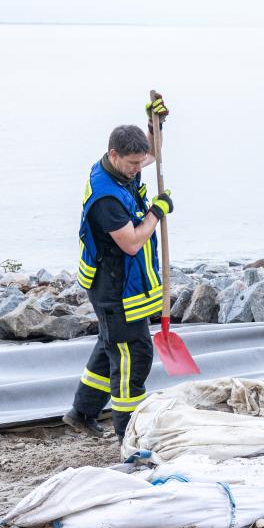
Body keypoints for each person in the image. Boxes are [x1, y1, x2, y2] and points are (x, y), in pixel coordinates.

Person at [63, 95, 173, 440]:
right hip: (113, 285)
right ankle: (128, 431)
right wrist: (157, 211)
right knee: (133, 354)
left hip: (120, 280)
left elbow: (150, 155)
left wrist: (154, 127)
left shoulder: (119, 169)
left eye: (140, 162)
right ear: (114, 155)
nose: (139, 168)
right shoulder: (106, 197)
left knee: (110, 344)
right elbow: (132, 243)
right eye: (133, 163)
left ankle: (82, 412)